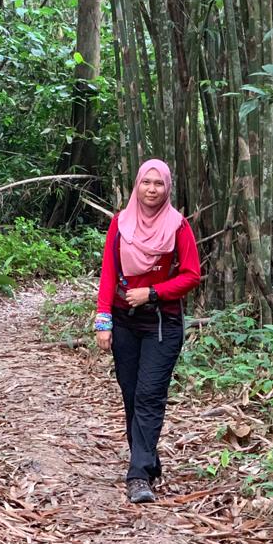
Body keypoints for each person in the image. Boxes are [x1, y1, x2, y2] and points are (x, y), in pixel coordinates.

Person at [95, 159, 201, 504]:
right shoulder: (120, 223)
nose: (152, 189)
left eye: (159, 184)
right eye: (146, 182)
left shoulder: (178, 226)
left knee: (149, 395)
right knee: (130, 393)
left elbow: (191, 274)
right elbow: (108, 272)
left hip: (161, 322)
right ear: (137, 185)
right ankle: (148, 460)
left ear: (167, 188)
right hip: (124, 320)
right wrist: (103, 320)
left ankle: (138, 474)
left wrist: (153, 293)